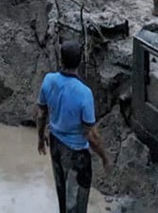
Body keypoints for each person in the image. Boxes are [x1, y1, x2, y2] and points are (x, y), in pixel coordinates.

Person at [36, 40, 111, 213]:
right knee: (76, 204)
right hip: (77, 155)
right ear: (80, 61)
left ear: (61, 60)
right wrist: (105, 158)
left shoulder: (49, 80)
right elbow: (91, 135)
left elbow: (41, 114)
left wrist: (40, 138)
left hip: (55, 145)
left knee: (63, 197)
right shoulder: (84, 93)